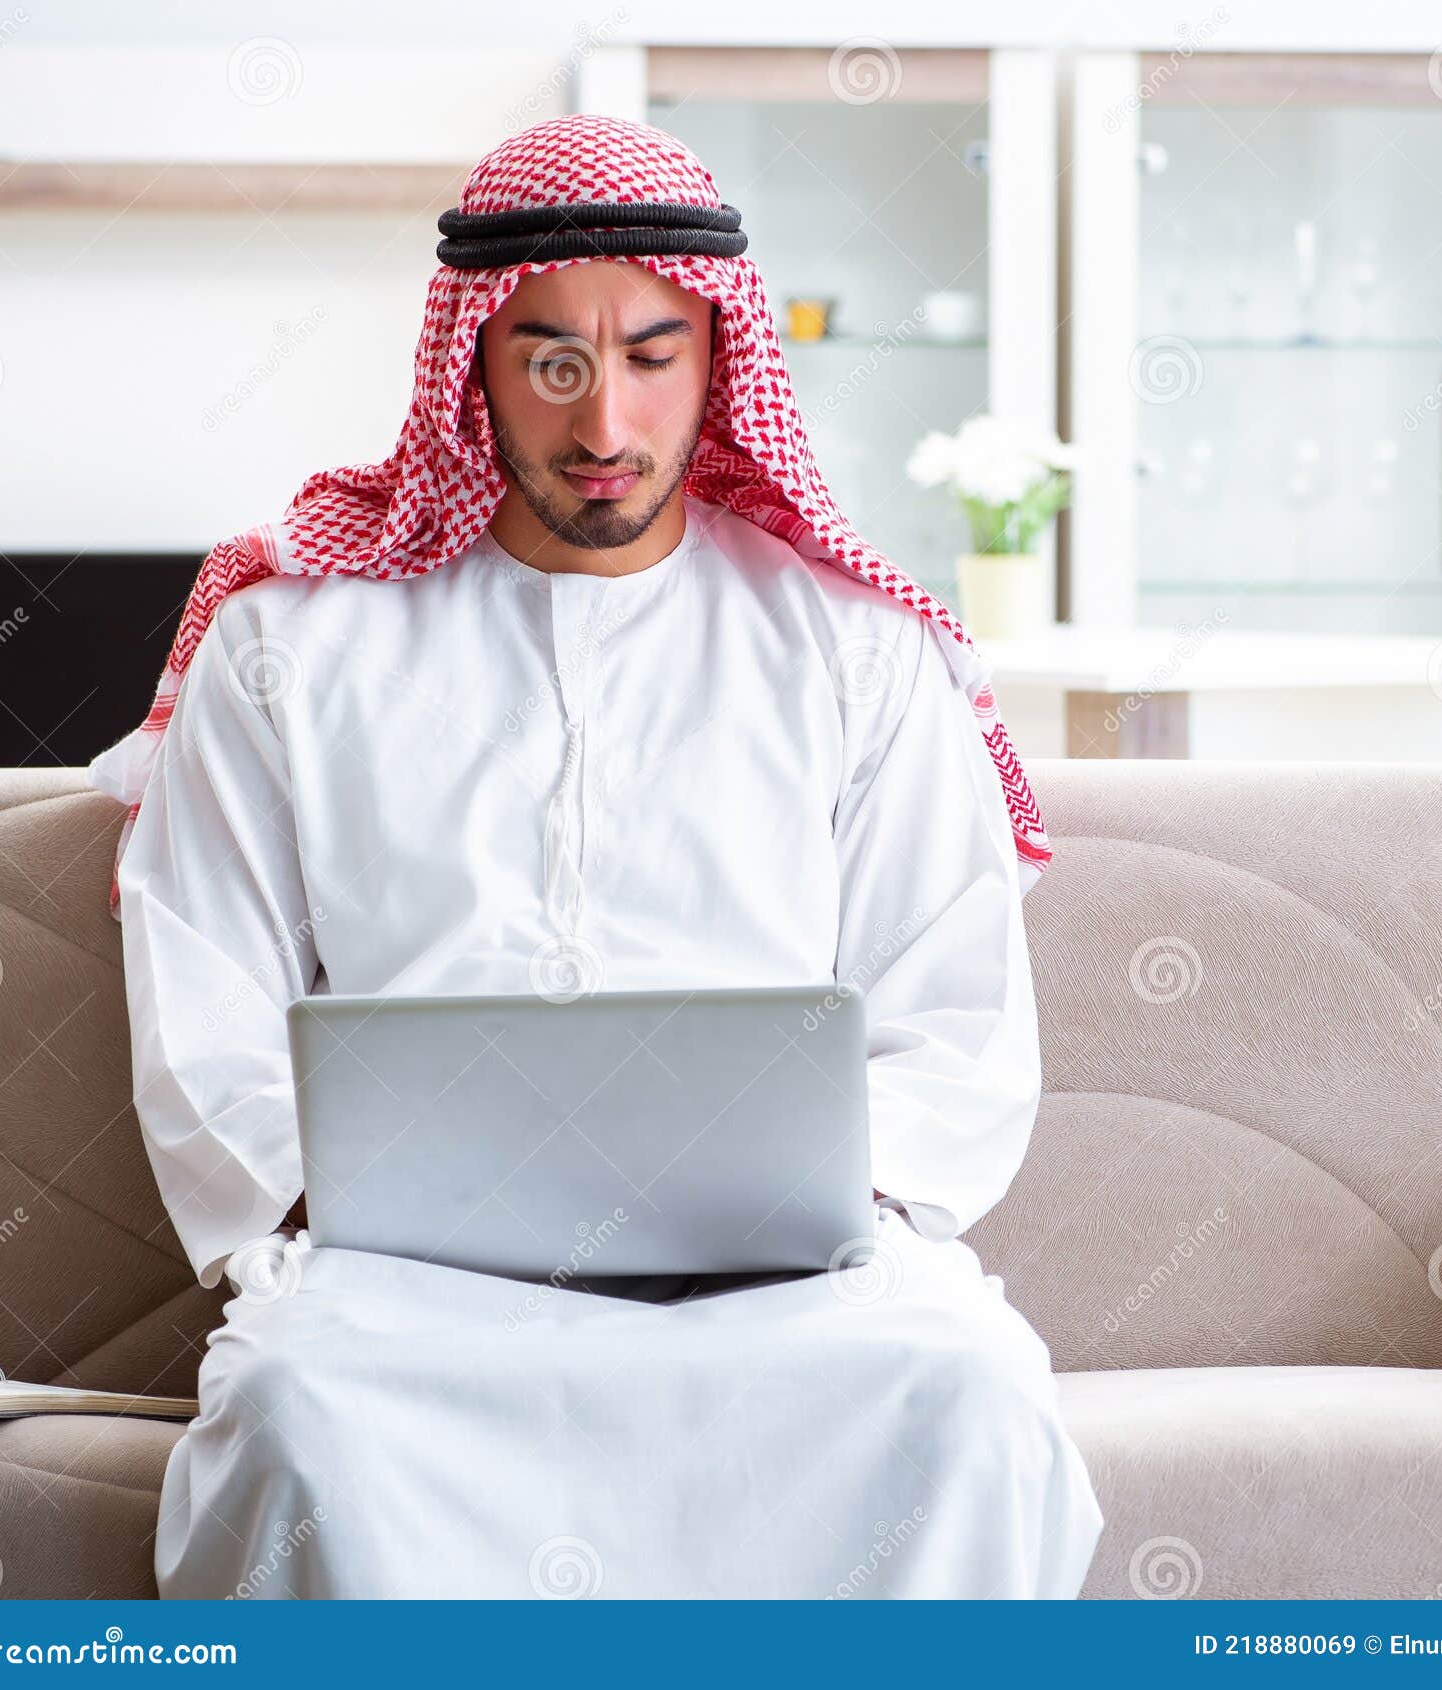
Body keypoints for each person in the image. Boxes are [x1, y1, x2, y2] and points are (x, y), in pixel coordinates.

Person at [88, 114, 1104, 1600]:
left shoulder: (860, 656)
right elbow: (208, 999)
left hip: (790, 1296)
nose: (603, 424)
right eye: (551, 358)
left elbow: (948, 1019)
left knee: (971, 1392)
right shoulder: (287, 649)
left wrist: (812, 1196)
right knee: (297, 1410)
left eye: (652, 353)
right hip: (410, 1301)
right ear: (474, 366)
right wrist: (332, 1197)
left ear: (719, 361)